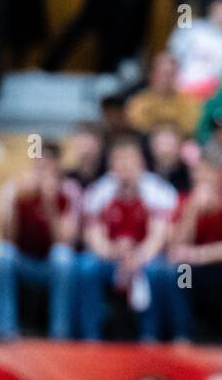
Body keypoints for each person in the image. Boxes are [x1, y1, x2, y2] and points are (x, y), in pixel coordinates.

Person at [76, 136, 177, 341]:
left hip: (147, 258)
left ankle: (150, 337)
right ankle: (90, 337)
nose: (124, 165)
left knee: (163, 271)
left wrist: (137, 258)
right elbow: (93, 235)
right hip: (111, 258)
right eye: (118, 160)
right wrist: (113, 252)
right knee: (86, 266)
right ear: (111, 164)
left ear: (141, 162)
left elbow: (160, 236)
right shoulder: (98, 191)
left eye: (130, 159)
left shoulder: (160, 191)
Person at [151, 159, 222, 343]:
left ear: (219, 175)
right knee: (176, 270)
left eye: (207, 173)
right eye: (197, 174)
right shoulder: (185, 201)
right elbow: (175, 246)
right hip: (194, 273)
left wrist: (203, 255)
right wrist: (191, 212)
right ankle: (183, 334)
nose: (202, 179)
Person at [0, 144, 80, 339]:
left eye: (47, 165)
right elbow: (6, 237)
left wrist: (50, 204)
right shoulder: (14, 189)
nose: (41, 171)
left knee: (63, 257)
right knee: (0, 254)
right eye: (38, 164)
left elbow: (64, 239)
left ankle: (60, 332)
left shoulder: (70, 190)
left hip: (50, 263)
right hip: (23, 261)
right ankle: (5, 331)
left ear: (57, 167)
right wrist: (16, 203)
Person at [125, 52, 202, 135]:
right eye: (164, 74)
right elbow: (137, 127)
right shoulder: (138, 102)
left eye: (172, 74)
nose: (168, 79)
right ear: (152, 74)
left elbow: (190, 127)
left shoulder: (189, 102)